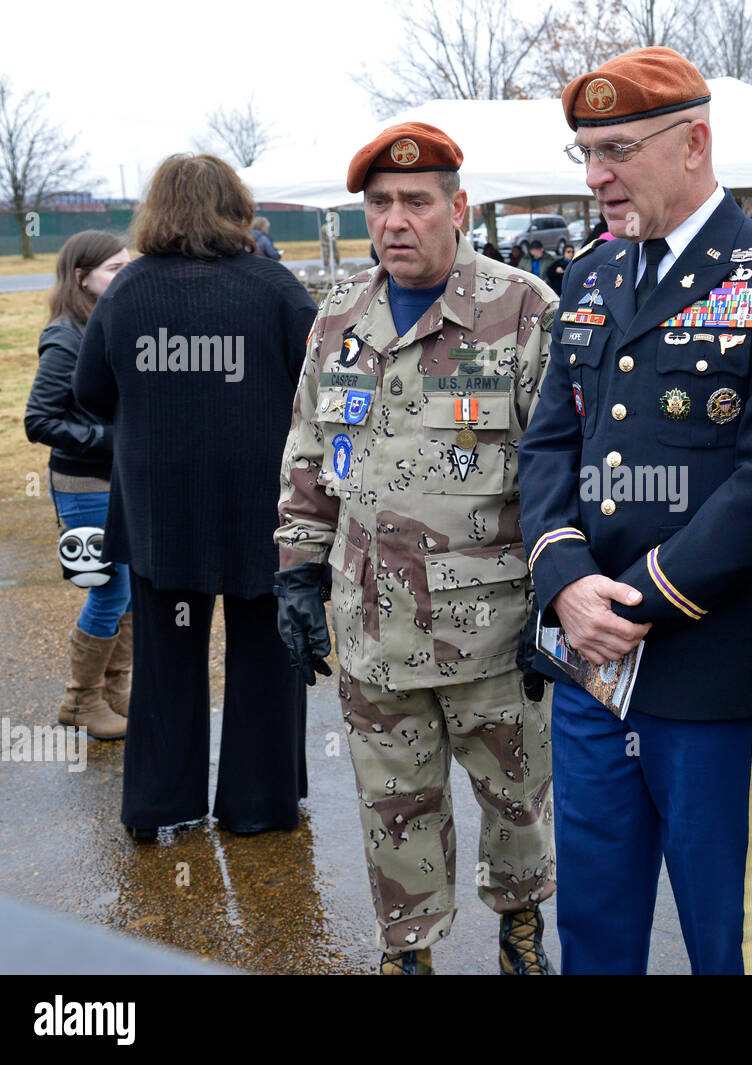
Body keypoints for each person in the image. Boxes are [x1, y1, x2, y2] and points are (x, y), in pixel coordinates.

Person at [518, 47, 752, 975]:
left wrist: (635, 602)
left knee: (718, 933)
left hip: (706, 667)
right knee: (594, 920)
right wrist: (566, 581)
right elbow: (549, 444)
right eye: (585, 151)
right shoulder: (589, 278)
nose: (596, 177)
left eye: (617, 149)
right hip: (592, 669)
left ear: (694, 142)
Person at [273, 121, 558, 976]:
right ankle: (409, 949)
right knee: (394, 803)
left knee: (514, 800)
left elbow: (556, 468)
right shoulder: (338, 318)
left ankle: (520, 927)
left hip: (493, 627)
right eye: (381, 204)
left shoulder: (521, 309)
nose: (397, 220)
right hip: (374, 627)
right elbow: (307, 456)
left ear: (458, 208)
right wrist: (296, 573)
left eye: (417, 202)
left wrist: (557, 592)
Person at [74, 153, 317, 841]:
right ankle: (259, 803)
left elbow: (90, 391)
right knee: (267, 659)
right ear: (236, 206)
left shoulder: (127, 290)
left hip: (162, 510)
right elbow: (319, 384)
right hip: (256, 509)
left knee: (166, 664)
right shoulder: (275, 287)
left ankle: (159, 804)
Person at [25, 230, 133, 741]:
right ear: (81, 277)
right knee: (108, 591)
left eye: (126, 265)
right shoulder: (65, 337)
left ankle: (115, 689)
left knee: (128, 589)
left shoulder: (102, 322)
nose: (124, 275)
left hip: (118, 483)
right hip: (84, 485)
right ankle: (80, 701)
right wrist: (110, 439)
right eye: (113, 267)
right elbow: (39, 420)